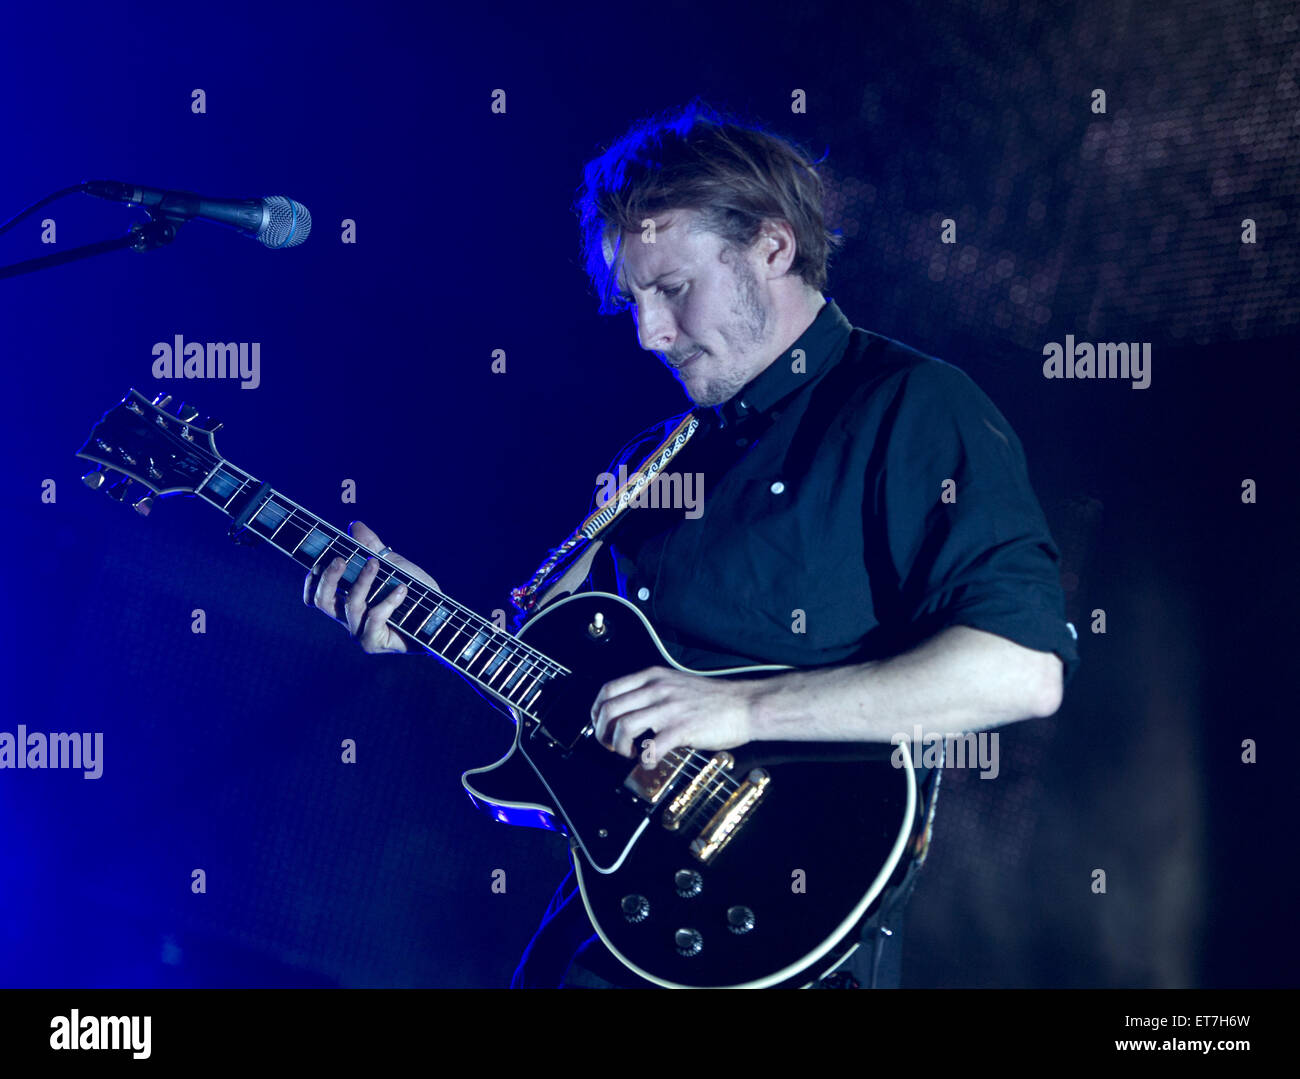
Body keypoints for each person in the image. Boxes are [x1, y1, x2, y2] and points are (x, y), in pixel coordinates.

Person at [303, 103, 1079, 988]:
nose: (648, 333)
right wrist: (417, 616)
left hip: (785, 934)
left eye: (672, 287)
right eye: (631, 301)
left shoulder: (911, 406)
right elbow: (544, 674)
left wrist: (739, 711)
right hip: (611, 929)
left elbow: (1021, 670)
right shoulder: (654, 459)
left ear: (773, 247)